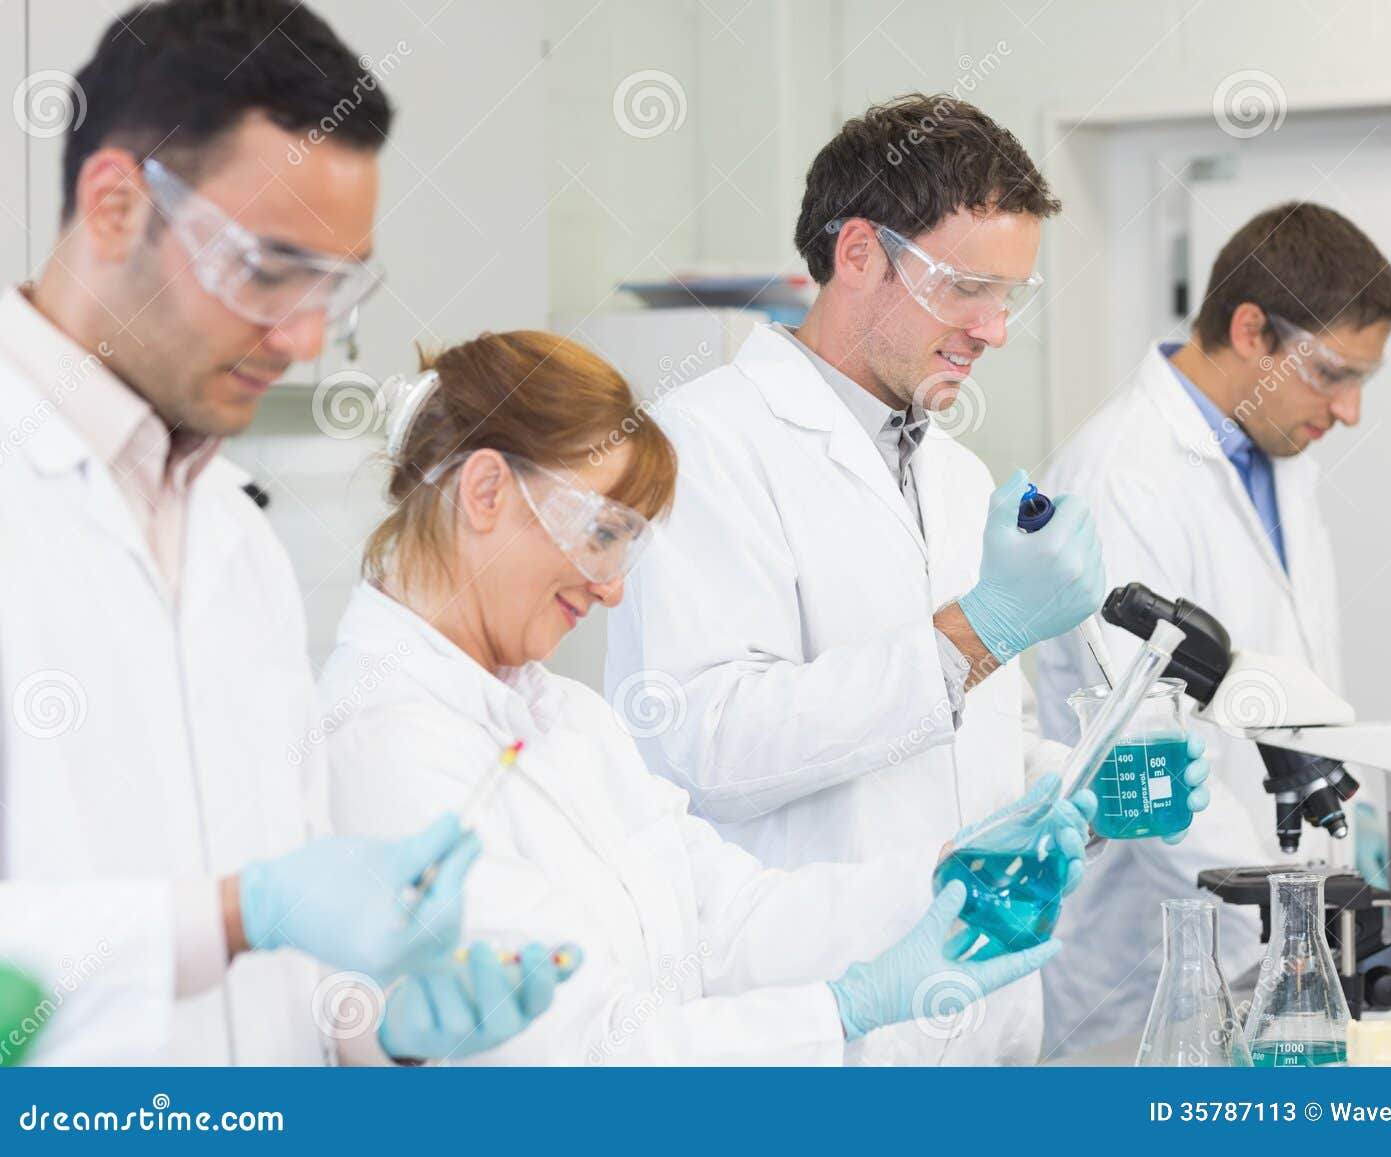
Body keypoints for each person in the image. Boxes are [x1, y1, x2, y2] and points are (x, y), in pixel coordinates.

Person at [0, 0, 562, 1065]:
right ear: (114, 204)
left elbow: (291, 951)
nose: (304, 338)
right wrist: (232, 912)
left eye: (334, 288)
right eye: (266, 270)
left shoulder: (238, 540)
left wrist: (380, 1024)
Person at [602, 95, 1213, 1062]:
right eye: (968, 285)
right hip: (818, 1027)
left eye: (1010, 294)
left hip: (983, 1026)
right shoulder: (705, 443)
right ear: (857, 255)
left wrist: (1083, 786)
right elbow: (701, 743)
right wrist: (976, 630)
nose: (994, 329)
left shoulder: (956, 470)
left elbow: (971, 746)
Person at [320, 330, 1098, 1065]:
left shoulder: (566, 718)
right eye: (602, 534)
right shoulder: (388, 745)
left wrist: (941, 877)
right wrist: (841, 1010)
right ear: (485, 489)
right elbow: (577, 1059)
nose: (614, 588)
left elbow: (720, 918)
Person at [1034, 202, 1391, 1055]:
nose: (1349, 410)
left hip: (1270, 948)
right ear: (1252, 330)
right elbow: (1150, 766)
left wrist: (1309, 937)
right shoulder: (1122, 478)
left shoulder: (1278, 459)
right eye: (1332, 374)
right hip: (1147, 973)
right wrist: (1290, 938)